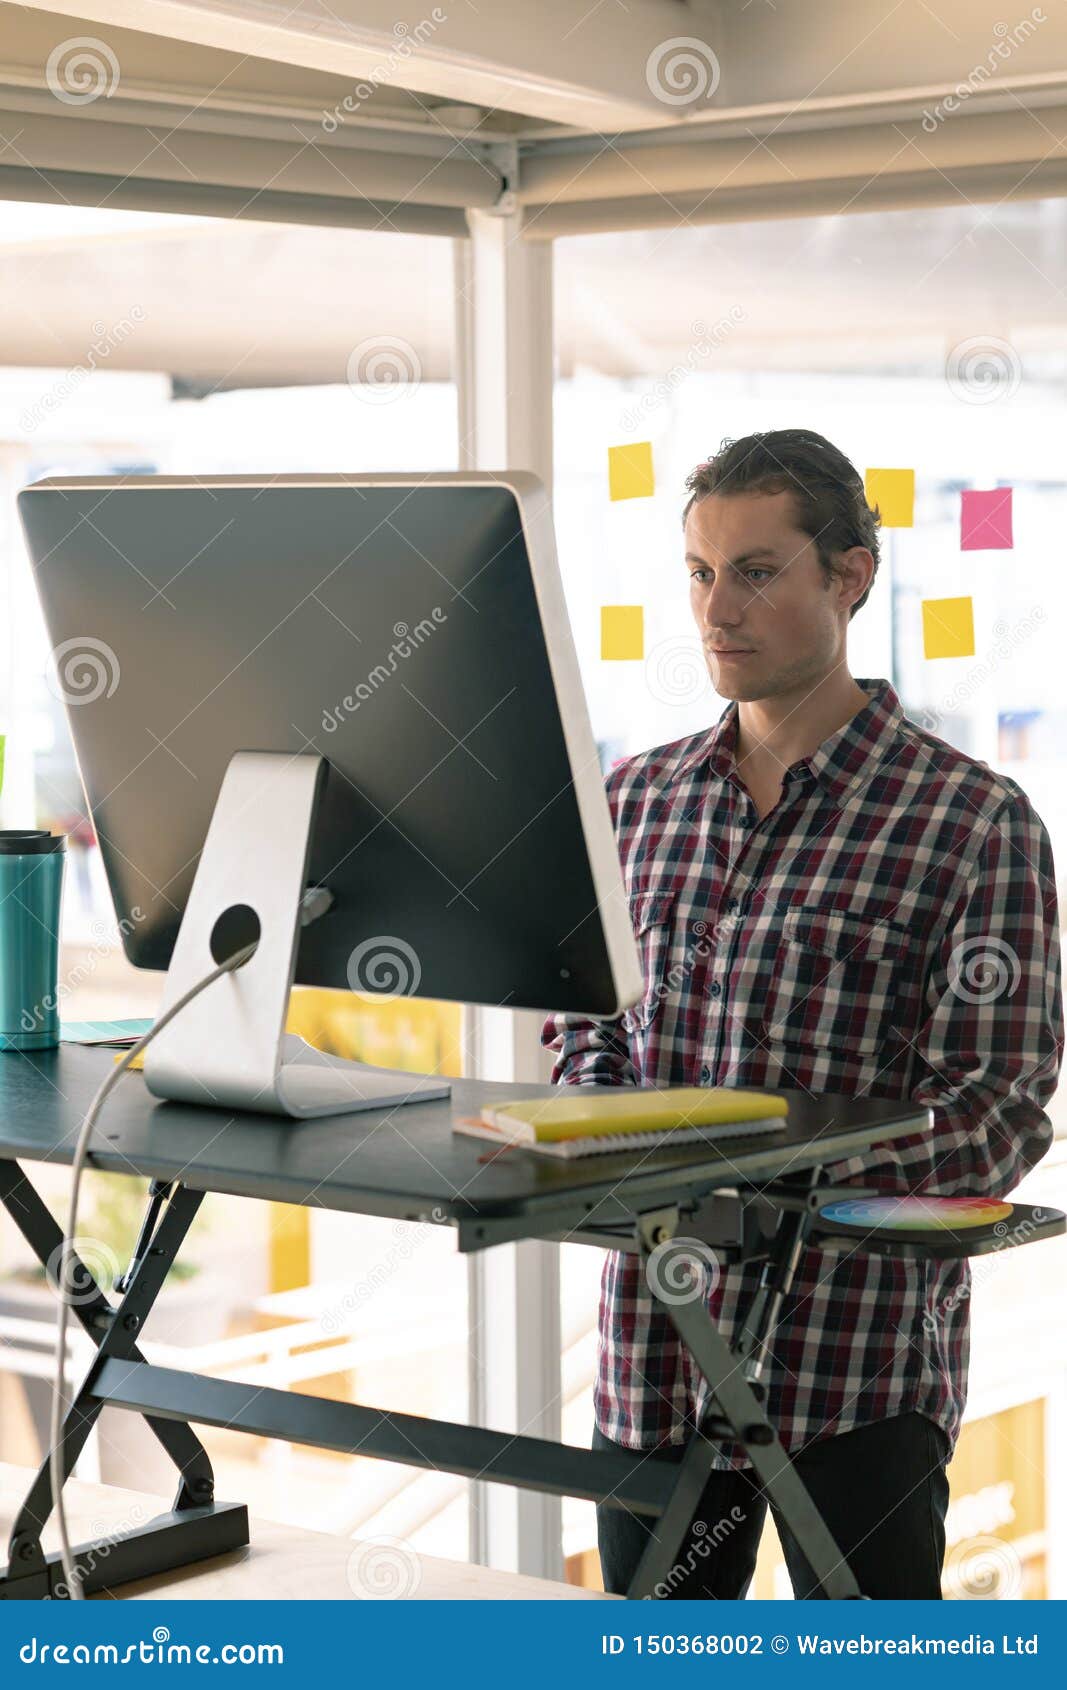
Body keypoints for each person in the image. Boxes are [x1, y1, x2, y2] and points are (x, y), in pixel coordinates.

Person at [542, 427, 1063, 1599]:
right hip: (652, 1359)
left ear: (850, 574)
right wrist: (603, 1131)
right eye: (698, 571)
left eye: (756, 570)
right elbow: (583, 1030)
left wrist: (758, 1176)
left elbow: (992, 1113)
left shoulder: (971, 821)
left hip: (855, 1377)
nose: (715, 608)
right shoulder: (630, 803)